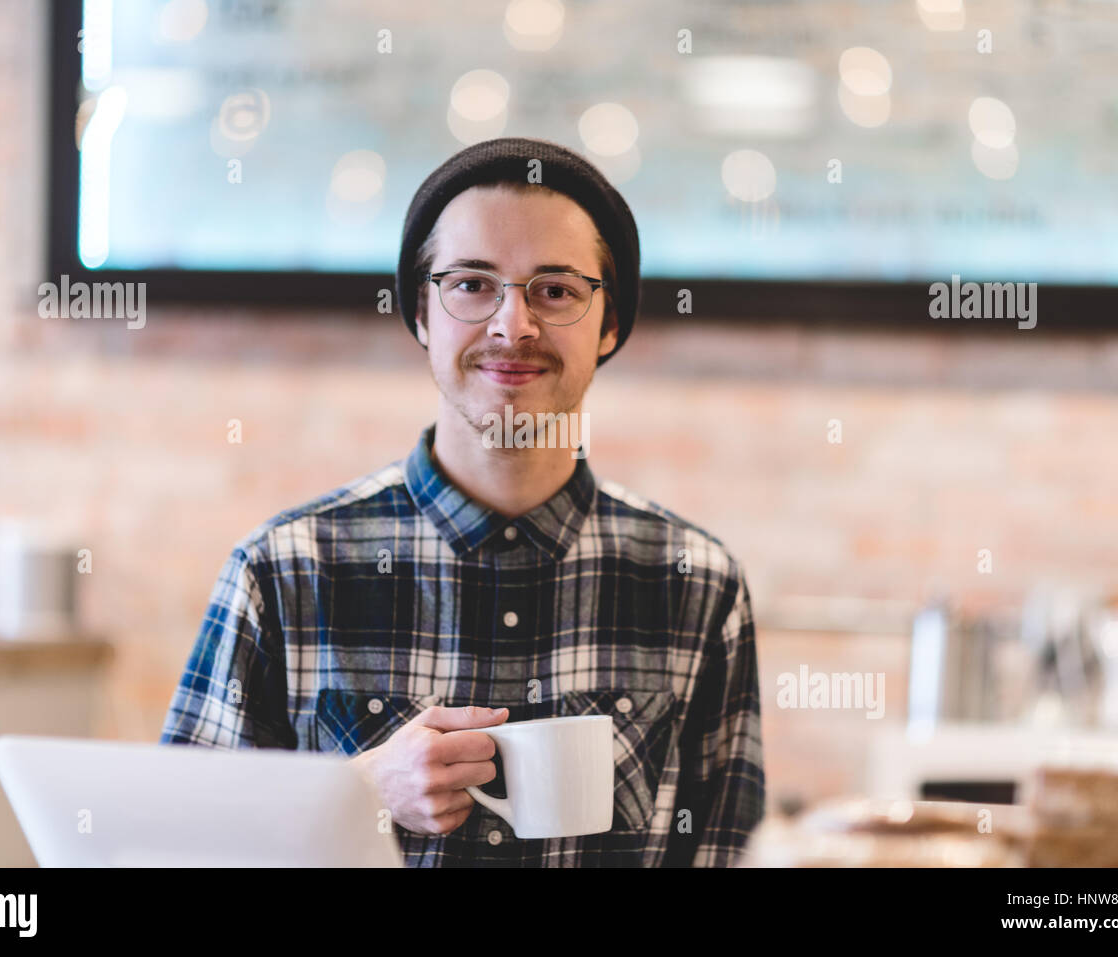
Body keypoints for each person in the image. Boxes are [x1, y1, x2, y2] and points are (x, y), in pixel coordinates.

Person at [161, 136, 764, 866]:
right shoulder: (283, 570)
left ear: (609, 326)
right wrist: (358, 790)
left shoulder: (696, 584)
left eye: (556, 290)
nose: (513, 326)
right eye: (473, 284)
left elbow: (728, 853)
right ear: (422, 312)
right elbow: (172, 844)